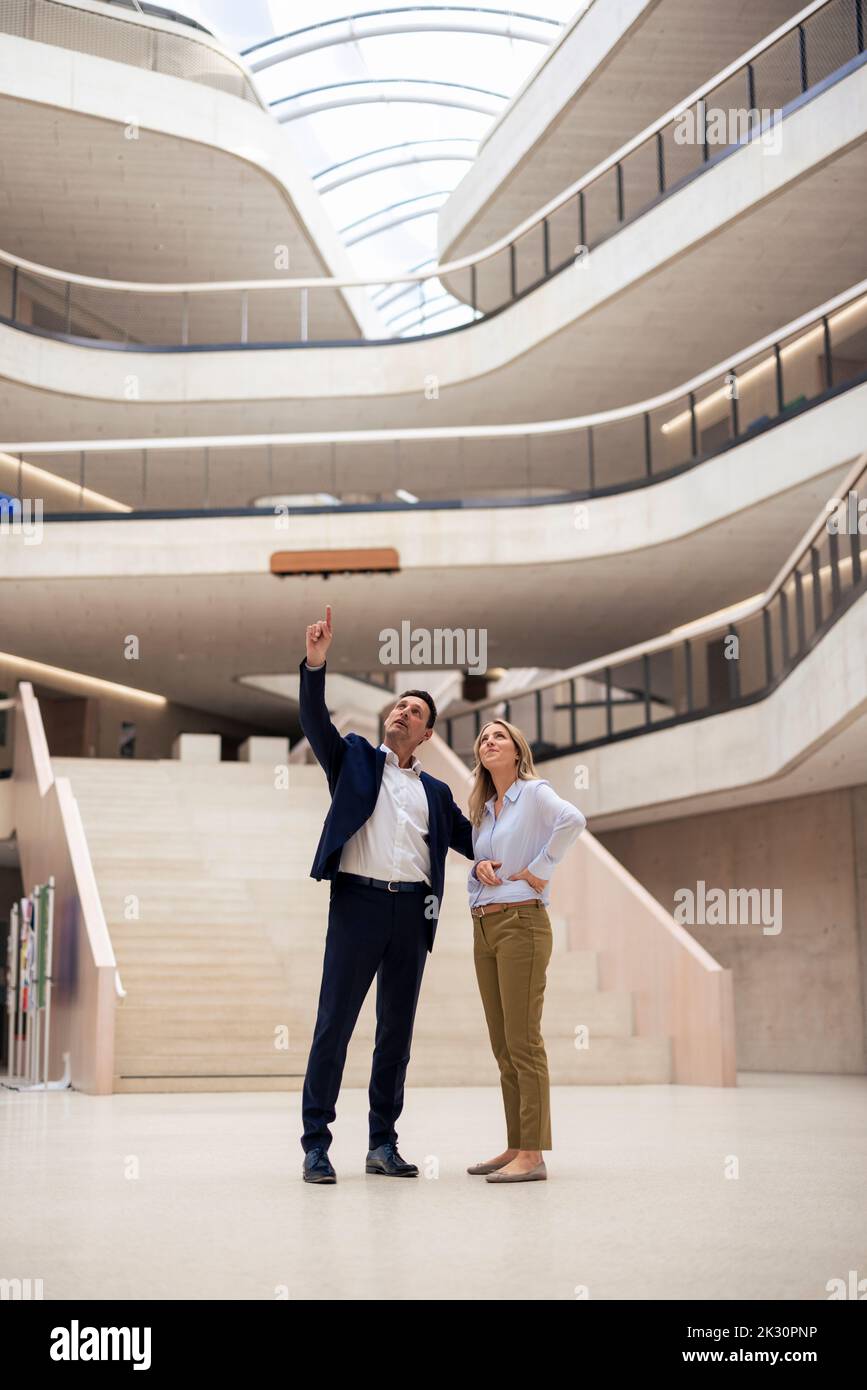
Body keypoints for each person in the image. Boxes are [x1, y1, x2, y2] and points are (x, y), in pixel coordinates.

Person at [298, 604, 478, 1184]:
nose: (403, 711)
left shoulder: (437, 791)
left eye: (416, 711)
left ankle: (382, 1143)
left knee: (395, 1034)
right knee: (335, 1026)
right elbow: (313, 721)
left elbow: (473, 842)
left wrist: (514, 843)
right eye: (400, 704)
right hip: (359, 904)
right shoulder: (352, 757)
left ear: (427, 733)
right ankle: (316, 1145)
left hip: (412, 913)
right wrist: (316, 663)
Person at [465, 718, 586, 1183]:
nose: (489, 741)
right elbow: (477, 868)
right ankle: (517, 1142)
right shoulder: (485, 808)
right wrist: (478, 869)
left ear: (517, 751)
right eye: (483, 738)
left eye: (499, 736)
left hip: (522, 925)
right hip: (485, 926)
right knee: (503, 1045)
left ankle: (533, 1154)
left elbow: (573, 820)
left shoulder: (534, 793)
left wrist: (541, 868)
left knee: (524, 1042)